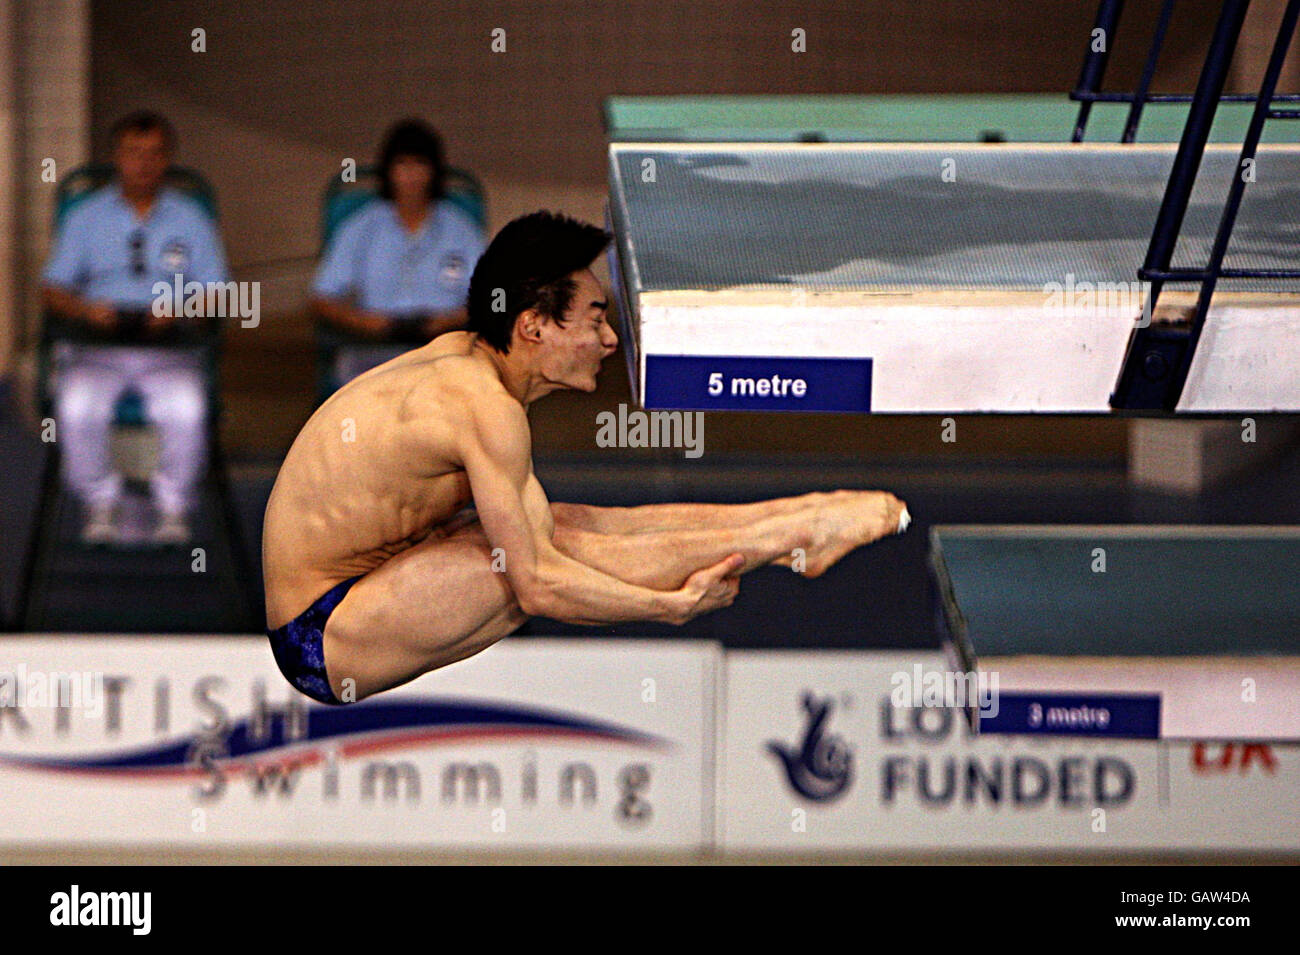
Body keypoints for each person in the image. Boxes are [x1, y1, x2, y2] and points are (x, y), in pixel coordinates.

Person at [263, 211, 908, 706]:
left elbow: (547, 549)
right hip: (323, 633)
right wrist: (668, 607)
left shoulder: (472, 367)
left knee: (560, 526)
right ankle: (790, 536)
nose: (610, 337)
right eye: (595, 317)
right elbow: (539, 587)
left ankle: (803, 515)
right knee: (522, 564)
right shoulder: (482, 407)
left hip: (373, 579)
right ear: (534, 327)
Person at [42, 110, 228, 545]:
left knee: (187, 408)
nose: (143, 164)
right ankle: (100, 500)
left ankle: (174, 506)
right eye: (132, 153)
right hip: (97, 346)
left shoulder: (191, 218)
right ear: (116, 158)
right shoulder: (85, 215)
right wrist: (87, 311)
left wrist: (179, 308)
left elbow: (218, 291)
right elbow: (52, 289)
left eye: (154, 154)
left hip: (168, 349)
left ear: (167, 160)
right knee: (77, 405)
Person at [311, 119, 486, 385]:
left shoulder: (460, 227)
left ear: (434, 171)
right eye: (402, 165)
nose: (411, 176)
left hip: (445, 349)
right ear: (388, 170)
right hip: (374, 349)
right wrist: (365, 323)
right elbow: (321, 297)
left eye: (420, 165)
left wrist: (449, 321)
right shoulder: (361, 225)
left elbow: (491, 297)